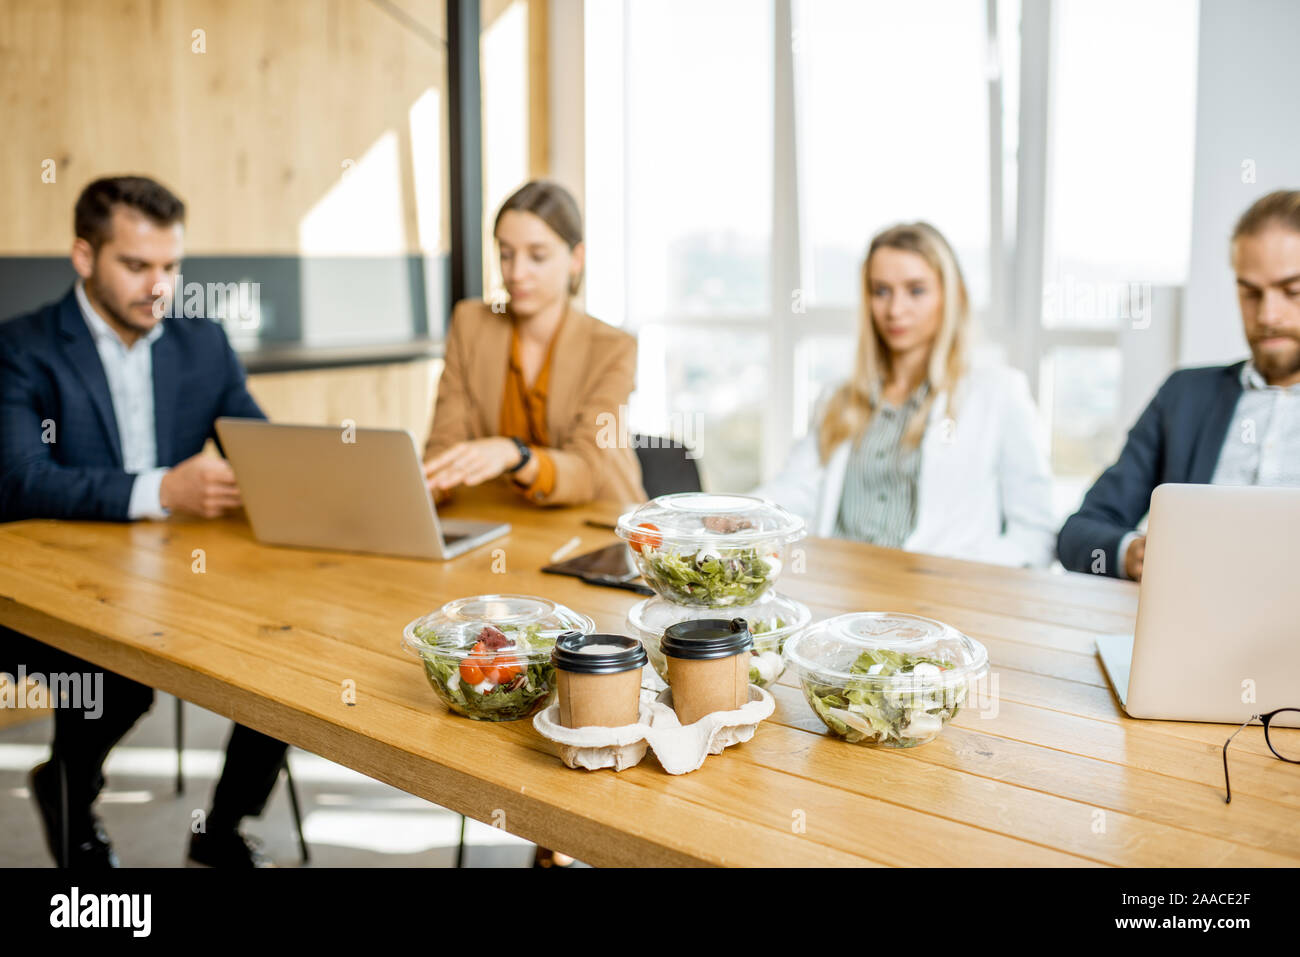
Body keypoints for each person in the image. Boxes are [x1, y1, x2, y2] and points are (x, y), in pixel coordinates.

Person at [0, 175, 287, 867]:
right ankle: (68, 791)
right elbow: (19, 481)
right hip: (47, 588)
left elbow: (263, 450)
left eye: (170, 266)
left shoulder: (203, 343)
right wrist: (163, 486)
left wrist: (296, 479)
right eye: (136, 265)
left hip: (172, 576)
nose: (158, 286)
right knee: (119, 674)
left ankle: (220, 831)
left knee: (287, 655)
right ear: (83, 256)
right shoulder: (21, 348)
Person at [754, 221, 1055, 567]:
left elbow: (1035, 536)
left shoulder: (999, 394)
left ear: (951, 295)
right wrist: (735, 516)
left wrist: (962, 580)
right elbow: (793, 492)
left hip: (940, 603)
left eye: (916, 290)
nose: (895, 310)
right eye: (881, 291)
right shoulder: (839, 397)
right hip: (839, 594)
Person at [1058, 189, 1300, 580]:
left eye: (1293, 291)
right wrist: (1133, 553)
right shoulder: (1186, 397)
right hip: (1195, 627)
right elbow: (1077, 534)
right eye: (1250, 293)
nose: (1269, 315)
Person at [422, 180, 646, 507]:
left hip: (596, 524)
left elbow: (586, 471)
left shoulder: (613, 348)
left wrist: (516, 455)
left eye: (537, 256)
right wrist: (422, 490)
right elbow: (444, 447)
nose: (516, 273)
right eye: (506, 254)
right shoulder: (470, 324)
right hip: (505, 522)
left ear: (575, 259)